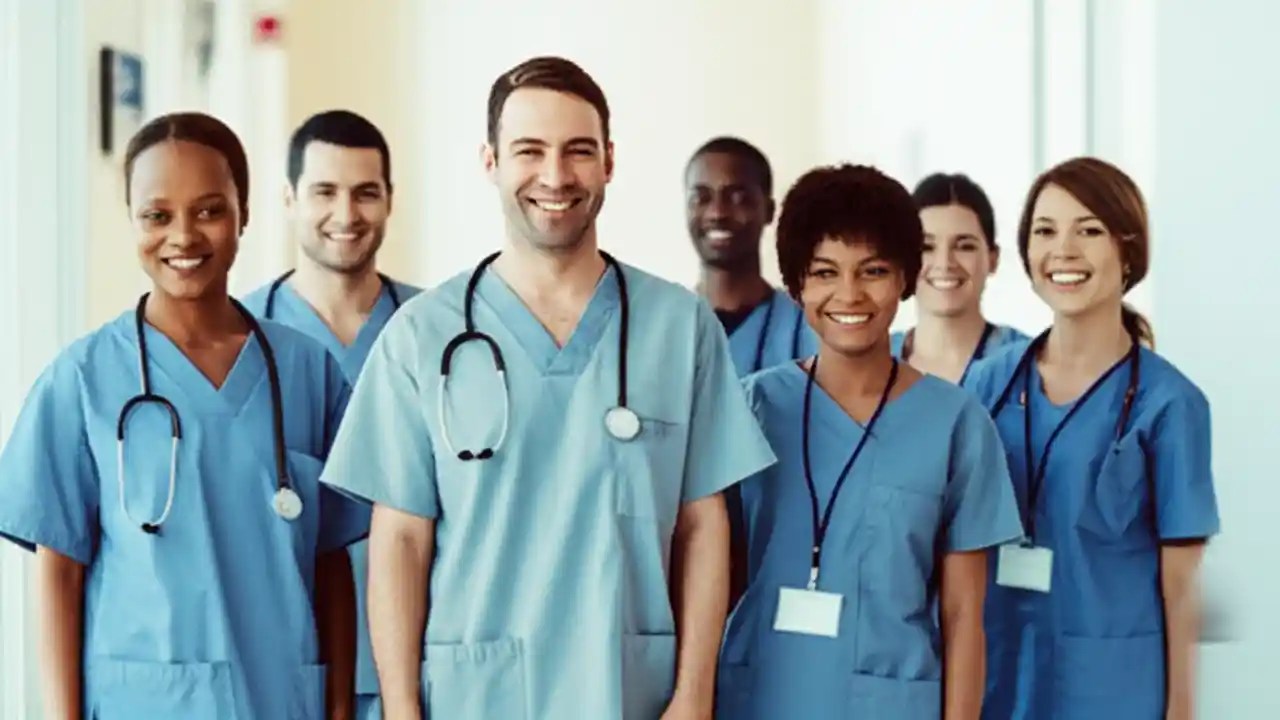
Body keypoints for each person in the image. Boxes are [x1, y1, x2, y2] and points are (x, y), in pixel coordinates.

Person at [317, 56, 776, 720]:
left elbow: (705, 527)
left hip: (630, 693)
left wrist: (694, 694)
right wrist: (400, 707)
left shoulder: (678, 327)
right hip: (473, 696)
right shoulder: (422, 336)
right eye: (529, 151)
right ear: (491, 161)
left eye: (578, 151)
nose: (556, 176)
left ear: (610, 162)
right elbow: (400, 541)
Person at [0, 112, 369, 719]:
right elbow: (59, 574)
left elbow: (332, 565)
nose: (182, 237)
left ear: (243, 213)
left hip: (278, 699)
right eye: (157, 215)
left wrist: (338, 711)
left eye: (208, 210)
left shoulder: (308, 373)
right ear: (133, 222)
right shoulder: (82, 380)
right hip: (141, 704)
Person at [716, 164, 1023, 719]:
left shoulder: (957, 424)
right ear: (796, 284)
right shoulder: (751, 409)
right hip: (760, 694)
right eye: (825, 272)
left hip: (894, 701)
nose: (849, 294)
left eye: (873, 270)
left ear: (906, 277)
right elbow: (707, 575)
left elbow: (963, 614)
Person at [965, 157, 1220, 719]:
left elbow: (1182, 587)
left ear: (1128, 250)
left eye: (1089, 231)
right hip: (1002, 676)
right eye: (1046, 231)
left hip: (1113, 688)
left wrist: (1182, 712)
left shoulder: (1169, 404)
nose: (1064, 251)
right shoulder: (988, 383)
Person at [241, 109, 422, 720]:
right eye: (324, 192)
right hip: (281, 662)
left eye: (365, 193)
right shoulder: (237, 339)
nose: (346, 215)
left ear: (390, 201)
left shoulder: (437, 332)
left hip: (415, 664)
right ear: (290, 199)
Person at [686, 137, 818, 377]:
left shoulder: (806, 328)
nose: (717, 213)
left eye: (738, 198)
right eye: (701, 198)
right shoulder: (658, 328)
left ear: (768, 211)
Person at [892, 172, 1027, 384]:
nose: (945, 263)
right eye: (926, 247)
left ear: (993, 259)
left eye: (965, 246)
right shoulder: (872, 362)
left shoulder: (1030, 365)